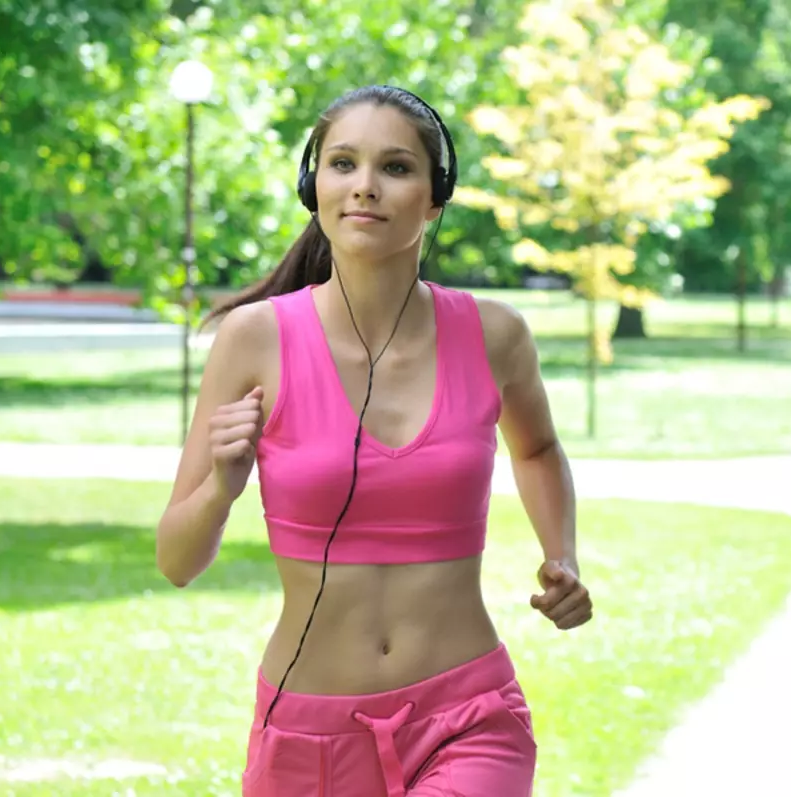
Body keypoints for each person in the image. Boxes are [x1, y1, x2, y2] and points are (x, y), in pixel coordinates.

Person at [154, 85, 592, 797]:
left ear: (434, 200)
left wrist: (562, 554)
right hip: (307, 731)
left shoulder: (495, 334)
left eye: (395, 167)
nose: (365, 186)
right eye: (342, 164)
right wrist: (221, 488)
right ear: (313, 186)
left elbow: (537, 448)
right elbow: (175, 560)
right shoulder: (254, 339)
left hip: (466, 715)